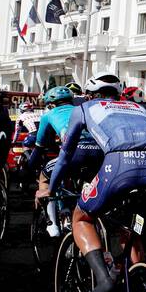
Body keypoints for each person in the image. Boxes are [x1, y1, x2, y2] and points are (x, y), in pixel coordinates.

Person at [46, 74, 146, 292]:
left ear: (90, 95)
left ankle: (104, 279)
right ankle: (137, 279)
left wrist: (51, 189)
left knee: (82, 217)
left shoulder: (83, 108)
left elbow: (65, 157)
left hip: (120, 165)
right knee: (130, 227)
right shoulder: (137, 107)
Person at [27, 85, 101, 237]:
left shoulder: (48, 115)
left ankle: (53, 225)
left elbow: (40, 146)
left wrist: (29, 166)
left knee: (45, 177)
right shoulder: (82, 110)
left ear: (51, 104)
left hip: (74, 154)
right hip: (98, 153)